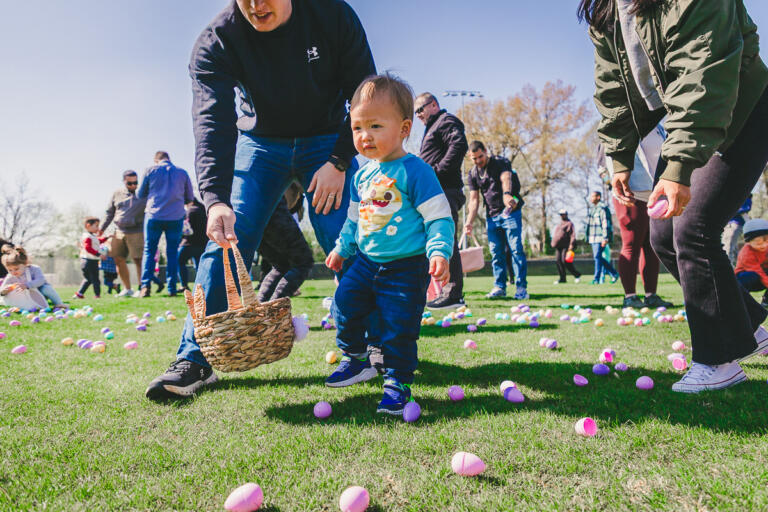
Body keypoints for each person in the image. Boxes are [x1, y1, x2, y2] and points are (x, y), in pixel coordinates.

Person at [145, 0, 375, 401]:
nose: (255, 4)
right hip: (259, 144)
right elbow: (212, 123)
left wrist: (340, 159)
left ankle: (375, 344)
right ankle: (194, 357)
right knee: (227, 238)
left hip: (326, 140)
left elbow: (364, 95)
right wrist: (216, 200)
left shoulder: (332, 15)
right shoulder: (216, 40)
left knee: (347, 236)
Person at [580, 0, 768, 392]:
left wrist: (679, 165)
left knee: (693, 229)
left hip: (741, 110)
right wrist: (618, 158)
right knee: (662, 236)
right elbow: (616, 88)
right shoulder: (606, 13)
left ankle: (719, 362)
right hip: (694, 124)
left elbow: (704, 75)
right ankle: (749, 329)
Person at [325, 74, 453, 415]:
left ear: (404, 128)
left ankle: (397, 383)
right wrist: (342, 249)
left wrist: (438, 250)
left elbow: (438, 216)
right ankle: (356, 358)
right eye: (357, 128)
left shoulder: (417, 171)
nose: (364, 136)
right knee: (344, 302)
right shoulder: (361, 176)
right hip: (366, 262)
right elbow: (354, 220)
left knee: (399, 327)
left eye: (376, 126)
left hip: (407, 268)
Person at [597, 128, 673, 309]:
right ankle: (630, 296)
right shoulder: (619, 123)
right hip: (631, 191)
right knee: (631, 243)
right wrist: (613, 185)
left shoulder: (658, 126)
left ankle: (651, 295)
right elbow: (602, 165)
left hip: (655, 191)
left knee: (651, 244)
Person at [414, 92, 468, 309]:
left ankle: (453, 293)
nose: (417, 115)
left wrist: (435, 172)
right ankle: (444, 291)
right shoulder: (432, 127)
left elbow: (459, 145)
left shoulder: (445, 121)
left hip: (446, 190)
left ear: (433, 105)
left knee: (446, 238)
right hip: (436, 191)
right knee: (434, 238)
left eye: (420, 109)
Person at [465, 141, 528, 299]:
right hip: (492, 217)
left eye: (480, 156)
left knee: (516, 250)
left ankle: (521, 288)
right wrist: (469, 221)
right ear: (470, 158)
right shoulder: (472, 174)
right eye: (474, 158)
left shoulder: (500, 162)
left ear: (485, 151)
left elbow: (505, 177)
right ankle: (499, 287)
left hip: (510, 212)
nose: (478, 160)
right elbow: (474, 200)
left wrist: (507, 193)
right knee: (496, 253)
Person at [137, 151, 194, 297]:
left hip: (153, 215)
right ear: (169, 159)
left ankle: (145, 287)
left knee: (149, 251)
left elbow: (140, 194)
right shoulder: (182, 173)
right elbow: (189, 198)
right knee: (172, 253)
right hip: (175, 217)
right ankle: (171, 289)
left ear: (156, 160)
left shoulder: (150, 170)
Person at [257, 195, 314, 302]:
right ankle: (271, 311)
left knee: (281, 265)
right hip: (269, 203)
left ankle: (259, 310)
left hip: (244, 210)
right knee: (303, 261)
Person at [99, 170, 146, 298]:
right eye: (130, 183)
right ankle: (127, 289)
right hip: (118, 231)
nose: (133, 186)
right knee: (118, 259)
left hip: (137, 231)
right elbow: (109, 212)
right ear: (124, 182)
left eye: (135, 183)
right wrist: (101, 228)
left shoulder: (143, 193)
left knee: (138, 260)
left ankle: (142, 289)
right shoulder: (117, 194)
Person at [0, 245, 64, 308]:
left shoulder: (34, 269)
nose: (13, 272)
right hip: (26, 297)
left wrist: (27, 285)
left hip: (40, 292)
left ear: (24, 264)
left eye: (16, 269)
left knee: (46, 288)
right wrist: (4, 291)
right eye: (10, 270)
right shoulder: (10, 276)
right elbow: (2, 289)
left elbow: (41, 280)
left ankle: (59, 304)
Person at [585, 191, 619, 285]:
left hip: (600, 238)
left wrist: (605, 238)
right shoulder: (592, 209)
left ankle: (597, 279)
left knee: (597, 257)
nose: (591, 198)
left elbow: (605, 224)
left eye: (593, 196)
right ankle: (614, 273)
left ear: (598, 197)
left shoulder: (602, 208)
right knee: (598, 257)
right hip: (593, 238)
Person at [734, 219, 768, 308]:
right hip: (746, 278)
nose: (764, 245)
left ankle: (766, 301)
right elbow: (759, 273)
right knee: (752, 276)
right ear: (749, 242)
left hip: (762, 276)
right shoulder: (747, 253)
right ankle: (741, 300)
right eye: (758, 243)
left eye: (767, 241)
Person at [178, 198, 208, 291]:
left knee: (179, 261)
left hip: (189, 243)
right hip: (203, 243)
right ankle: (202, 285)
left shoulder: (191, 211)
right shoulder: (203, 210)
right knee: (199, 265)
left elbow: (187, 229)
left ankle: (184, 285)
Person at [74, 217, 106, 299]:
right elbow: (88, 248)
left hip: (87, 261)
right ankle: (97, 295)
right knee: (95, 279)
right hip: (89, 261)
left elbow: (98, 241)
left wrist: (107, 237)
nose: (98, 228)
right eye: (96, 226)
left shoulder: (92, 236)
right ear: (88, 226)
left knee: (88, 279)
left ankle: (79, 294)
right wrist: (99, 254)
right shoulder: (88, 237)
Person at [551, 209, 581, 284]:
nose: (562, 216)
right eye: (560, 214)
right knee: (558, 261)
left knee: (565, 261)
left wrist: (571, 245)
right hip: (558, 246)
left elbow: (572, 235)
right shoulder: (560, 224)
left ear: (566, 214)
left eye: (563, 214)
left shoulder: (569, 224)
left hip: (566, 246)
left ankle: (576, 275)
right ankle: (562, 278)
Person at [723, 196, 752, 266]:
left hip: (735, 224)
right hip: (730, 224)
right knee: (733, 248)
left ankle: (728, 271)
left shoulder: (745, 196)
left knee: (728, 247)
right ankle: (740, 267)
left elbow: (744, 208)